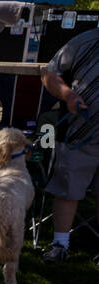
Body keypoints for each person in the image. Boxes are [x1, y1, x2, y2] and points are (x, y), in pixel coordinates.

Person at [41, 25, 99, 264]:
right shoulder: (82, 42)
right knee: (67, 189)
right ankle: (59, 244)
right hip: (78, 133)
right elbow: (49, 75)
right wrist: (69, 96)